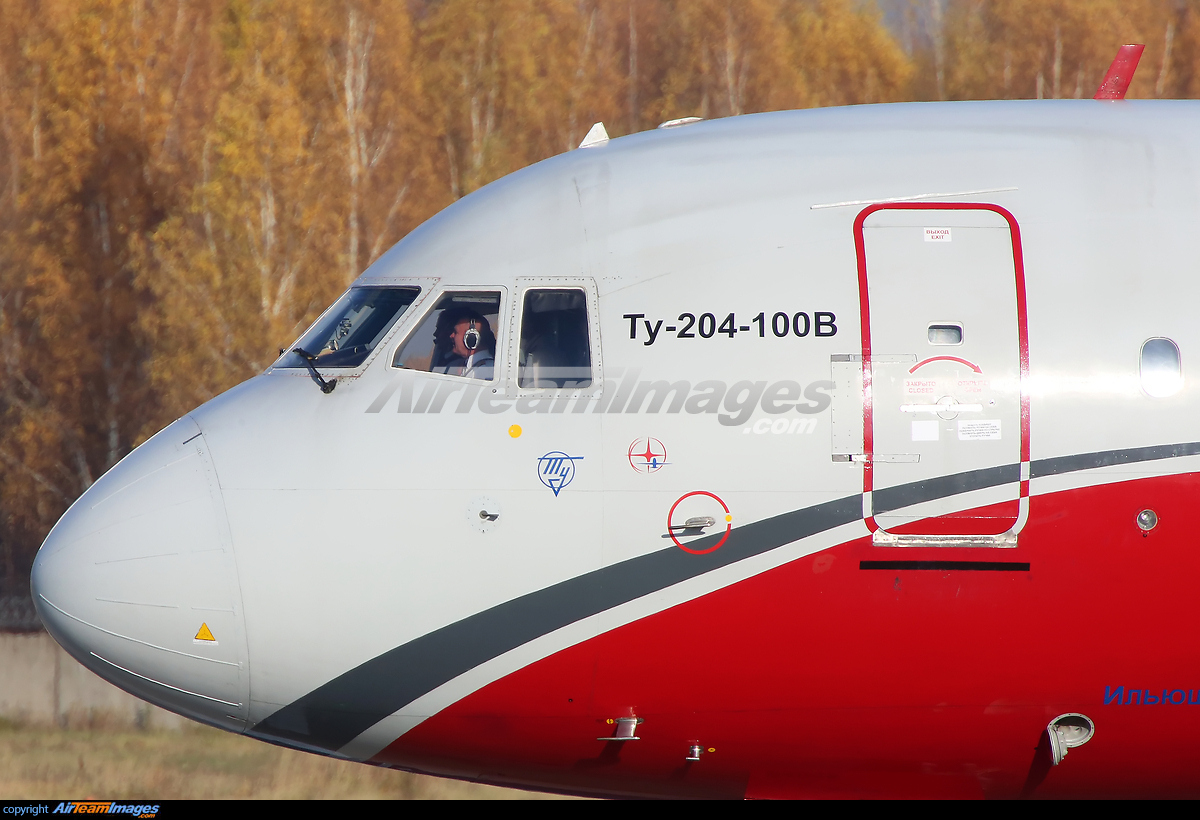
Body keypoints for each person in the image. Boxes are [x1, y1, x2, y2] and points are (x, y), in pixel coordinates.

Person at [433, 309, 495, 380]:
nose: (451, 336)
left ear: (471, 337)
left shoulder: (485, 371)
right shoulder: (471, 367)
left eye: (455, 332)